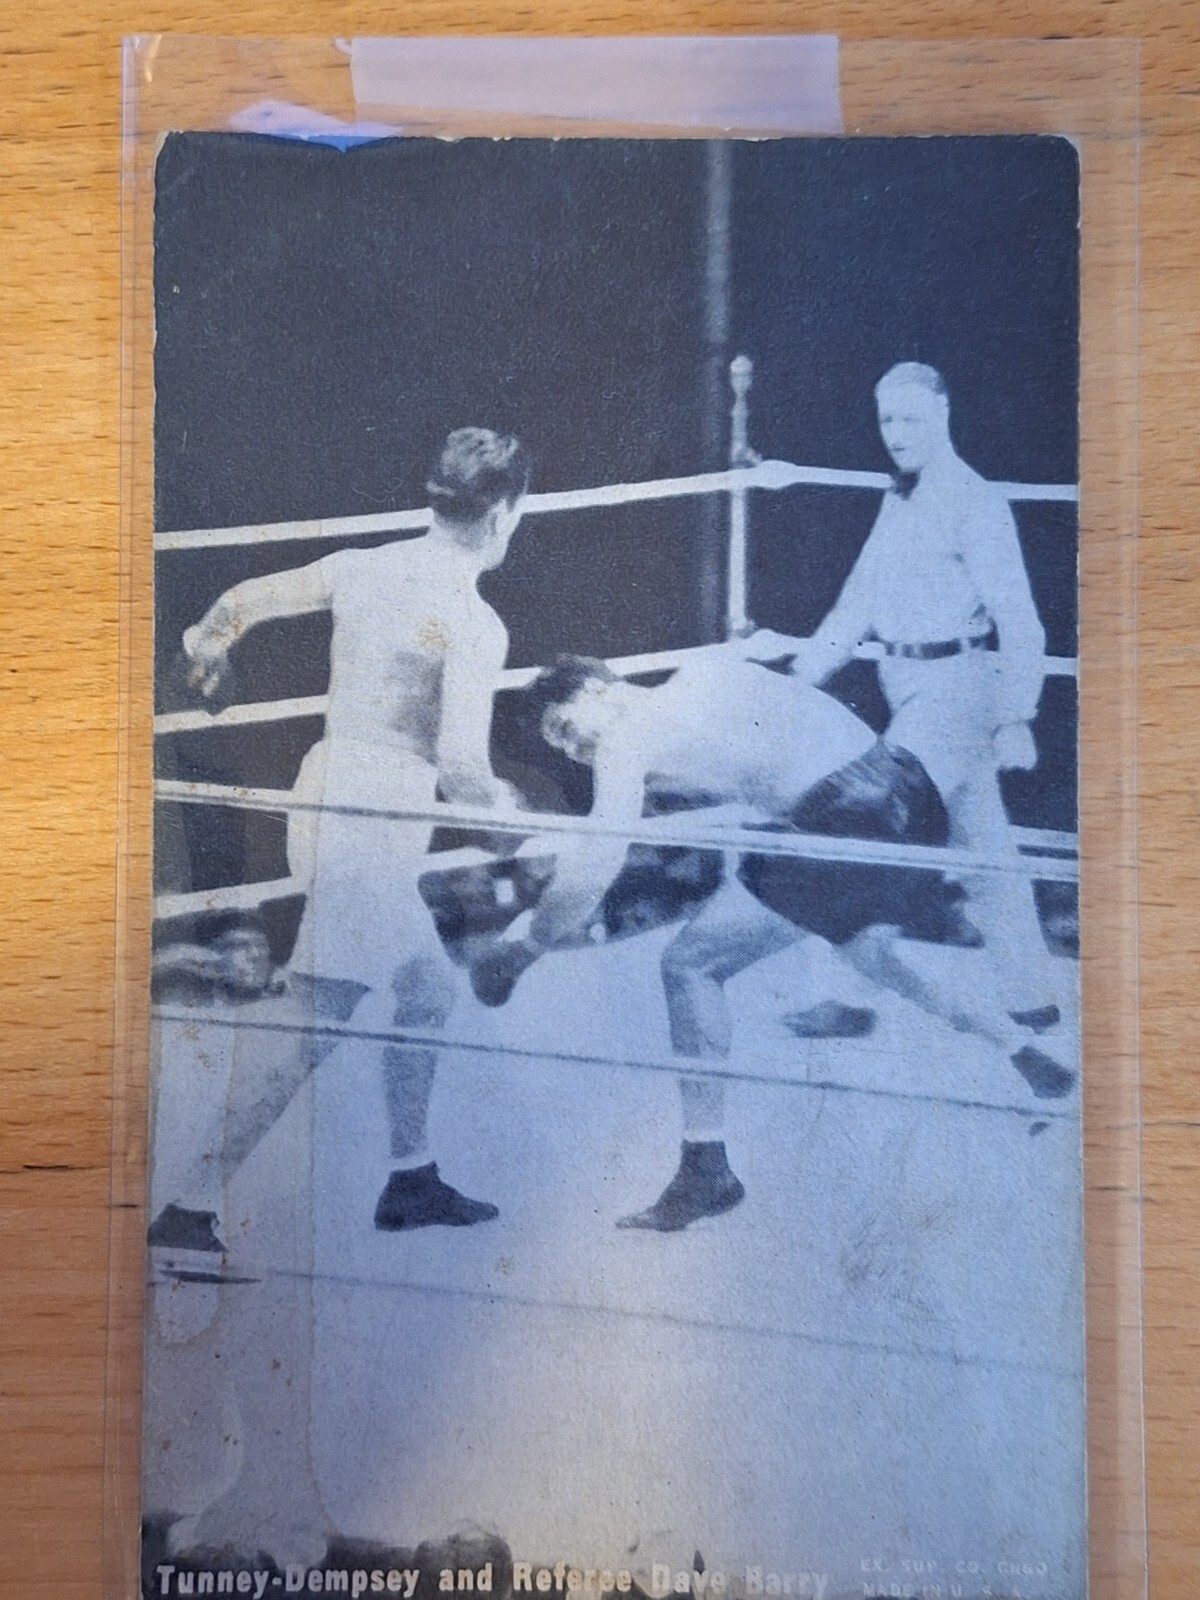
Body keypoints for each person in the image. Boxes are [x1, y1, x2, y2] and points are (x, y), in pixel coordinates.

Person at [466, 646, 1073, 1233]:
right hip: (902, 782)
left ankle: (706, 1168)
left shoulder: (627, 735)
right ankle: (1025, 1052)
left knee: (689, 964)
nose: (575, 750)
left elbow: (599, 860)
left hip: (844, 816)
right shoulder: (707, 670)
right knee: (868, 952)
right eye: (563, 748)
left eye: (566, 729)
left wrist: (527, 947)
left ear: (599, 691)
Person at [165, 426, 530, 1240]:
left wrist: (207, 652)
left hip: (329, 788)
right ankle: (189, 1206)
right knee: (312, 1018)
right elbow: (462, 767)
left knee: (427, 990)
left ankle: (412, 1177)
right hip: (374, 819)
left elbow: (239, 602)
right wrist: (512, 821)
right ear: (502, 513)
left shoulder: (364, 566)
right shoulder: (473, 622)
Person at [758, 361, 1061, 1033]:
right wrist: (798, 680)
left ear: (944, 415)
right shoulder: (898, 498)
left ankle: (850, 999)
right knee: (986, 849)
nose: (896, 433)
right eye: (887, 419)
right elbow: (857, 603)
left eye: (911, 419)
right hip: (910, 685)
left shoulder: (975, 502)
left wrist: (1017, 715)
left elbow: (1020, 618)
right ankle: (1034, 999)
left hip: (956, 690)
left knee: (865, 822)